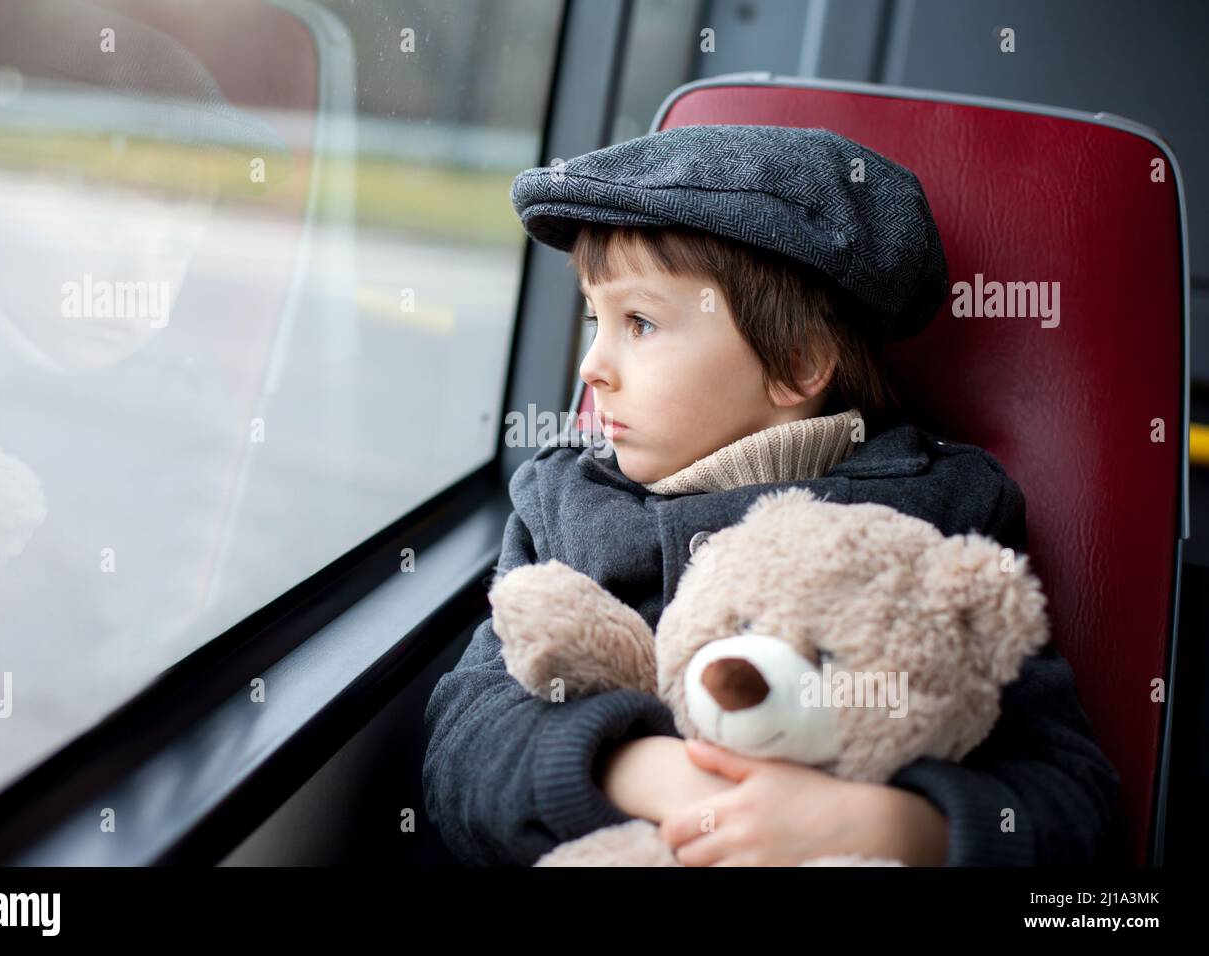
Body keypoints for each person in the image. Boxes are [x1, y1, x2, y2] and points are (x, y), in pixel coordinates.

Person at [422, 124, 1121, 866]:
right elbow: (465, 735)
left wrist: (901, 827)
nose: (592, 365)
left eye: (641, 323)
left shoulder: (943, 515)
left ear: (795, 364)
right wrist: (641, 771)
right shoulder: (563, 500)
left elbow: (1072, 796)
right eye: (597, 319)